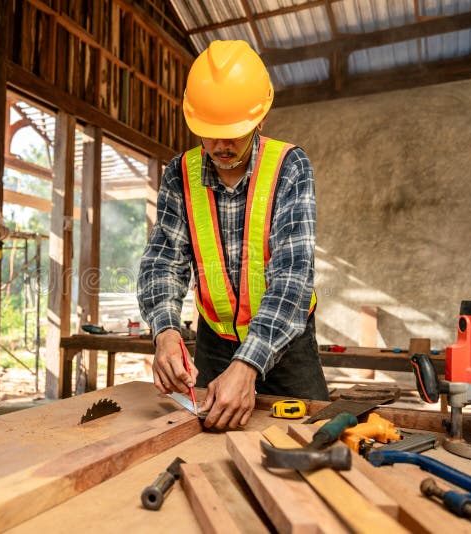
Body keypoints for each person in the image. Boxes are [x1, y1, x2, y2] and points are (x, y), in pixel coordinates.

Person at [137, 40, 328, 430]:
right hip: (215, 340)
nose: (221, 146)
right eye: (210, 133)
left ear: (260, 120)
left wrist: (249, 363)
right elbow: (163, 262)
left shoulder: (290, 167)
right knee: (206, 439)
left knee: (311, 441)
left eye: (234, 134)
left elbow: (292, 277)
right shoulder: (179, 174)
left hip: (285, 342)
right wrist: (166, 332)